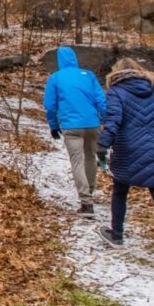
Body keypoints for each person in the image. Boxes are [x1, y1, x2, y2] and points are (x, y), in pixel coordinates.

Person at [95, 58, 154, 269]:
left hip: (127, 148)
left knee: (120, 190)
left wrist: (103, 144)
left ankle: (116, 234)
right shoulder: (152, 94)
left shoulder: (116, 92)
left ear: (116, 73)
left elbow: (114, 121)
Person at [43, 46, 107, 216]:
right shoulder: (89, 76)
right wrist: (106, 120)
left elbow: (50, 105)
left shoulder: (55, 78)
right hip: (93, 123)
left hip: (71, 126)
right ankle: (90, 191)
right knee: (91, 157)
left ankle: (86, 203)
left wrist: (53, 125)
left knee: (77, 161)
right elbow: (101, 100)